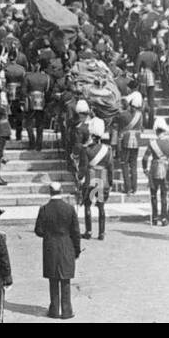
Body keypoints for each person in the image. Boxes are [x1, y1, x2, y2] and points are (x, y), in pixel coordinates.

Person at [34, 181, 81, 320]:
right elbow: (76, 232)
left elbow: (38, 230)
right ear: (61, 191)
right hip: (66, 244)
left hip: (50, 246)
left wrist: (48, 235)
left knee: (53, 278)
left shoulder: (44, 209)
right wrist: (76, 250)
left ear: (50, 191)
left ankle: (54, 309)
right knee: (65, 279)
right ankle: (67, 310)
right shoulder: (70, 208)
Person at [77, 117, 113, 241]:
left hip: (91, 180)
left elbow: (83, 167)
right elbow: (110, 167)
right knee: (101, 206)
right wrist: (111, 181)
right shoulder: (108, 149)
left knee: (88, 204)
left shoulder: (86, 149)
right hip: (103, 180)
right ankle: (101, 233)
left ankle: (88, 231)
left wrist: (79, 177)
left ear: (91, 134)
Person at [143, 118, 169, 226]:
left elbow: (145, 158)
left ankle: (155, 217)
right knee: (164, 195)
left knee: (153, 195)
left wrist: (145, 169)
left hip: (154, 169)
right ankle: (164, 218)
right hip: (165, 170)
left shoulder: (152, 143)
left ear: (156, 131)